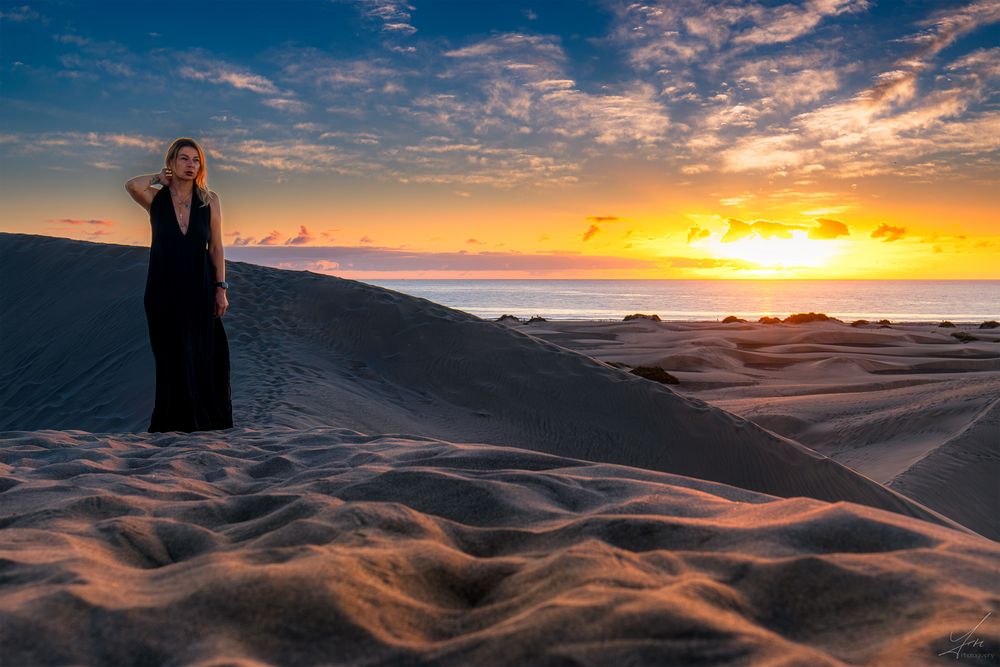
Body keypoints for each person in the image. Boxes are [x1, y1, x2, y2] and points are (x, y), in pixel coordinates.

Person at [125, 138, 233, 432]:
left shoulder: (210, 200)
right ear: (171, 163)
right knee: (171, 356)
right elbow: (132, 185)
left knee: (203, 352)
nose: (190, 165)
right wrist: (159, 179)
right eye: (183, 159)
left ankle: (204, 423)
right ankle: (171, 426)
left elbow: (216, 248)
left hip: (199, 288)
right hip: (162, 289)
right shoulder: (156, 199)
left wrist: (220, 288)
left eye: (195, 160)